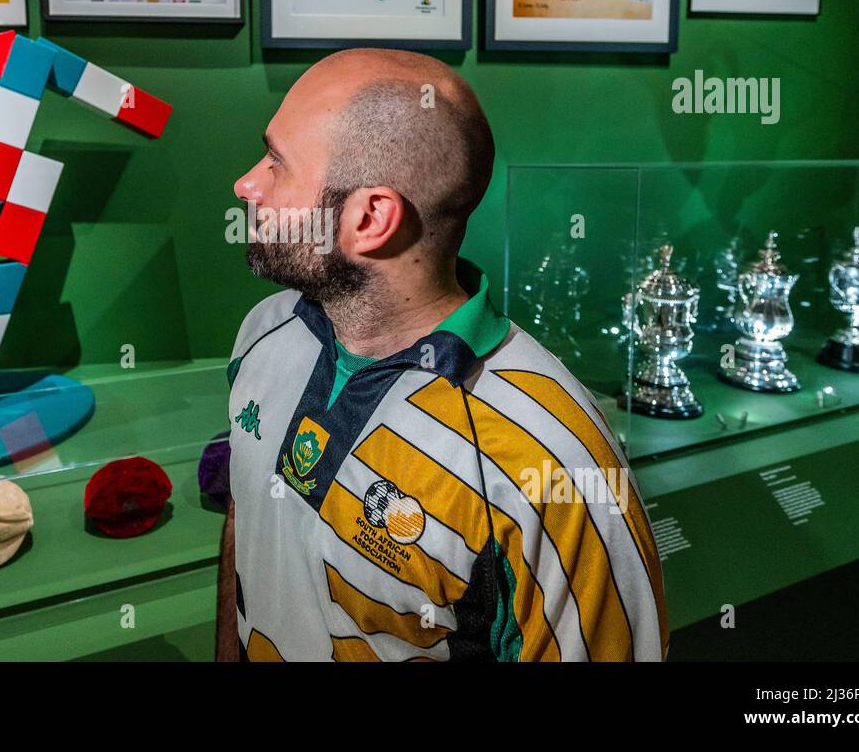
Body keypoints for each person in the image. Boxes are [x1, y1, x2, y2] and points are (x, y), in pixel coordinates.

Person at [216, 49, 669, 662]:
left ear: (371, 218)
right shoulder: (266, 330)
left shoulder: (552, 465)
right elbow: (246, 522)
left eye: (277, 162)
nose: (246, 184)